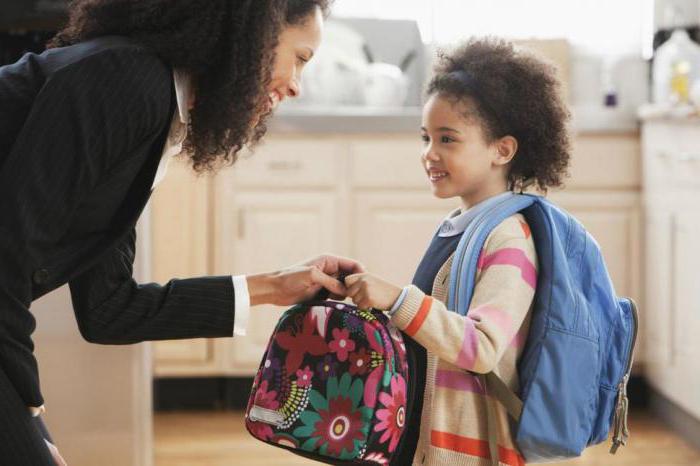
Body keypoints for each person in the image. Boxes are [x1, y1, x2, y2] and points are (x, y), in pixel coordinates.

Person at [0, 1, 366, 464]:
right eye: (299, 57)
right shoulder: (124, 81)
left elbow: (110, 309)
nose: (296, 85)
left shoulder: (153, 109)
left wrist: (275, 287)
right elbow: (5, 268)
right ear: (254, 36)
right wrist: (30, 412)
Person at [344, 37, 572, 466]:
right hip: (434, 433)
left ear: (502, 150)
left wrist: (396, 298)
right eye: (426, 137)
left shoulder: (509, 240)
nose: (430, 154)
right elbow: (433, 327)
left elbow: (482, 347)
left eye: (448, 139)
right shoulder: (459, 226)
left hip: (470, 448)